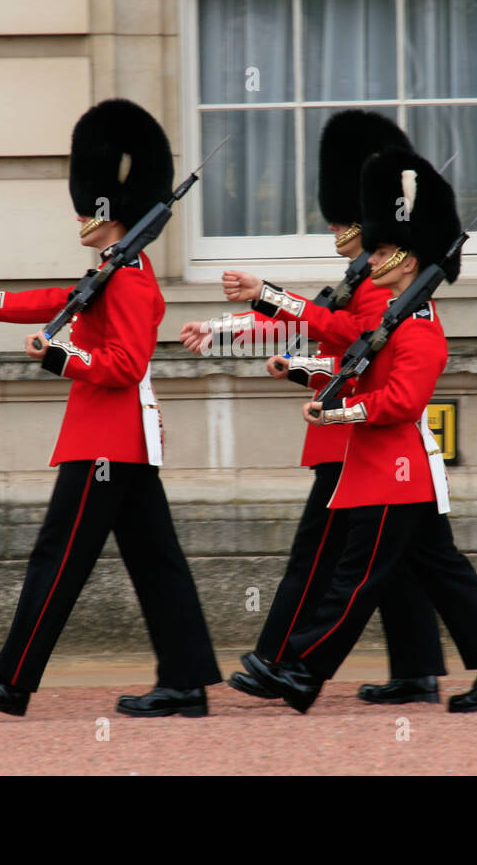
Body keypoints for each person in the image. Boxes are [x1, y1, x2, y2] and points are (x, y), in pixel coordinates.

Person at [0, 99, 222, 718]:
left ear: (111, 215)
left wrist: (60, 359)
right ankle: (187, 682)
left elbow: (125, 365)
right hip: (121, 442)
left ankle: (11, 681)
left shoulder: (131, 280)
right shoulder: (112, 272)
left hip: (107, 444)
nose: (81, 218)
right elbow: (47, 298)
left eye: (90, 209)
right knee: (155, 561)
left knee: (57, 559)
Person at [230, 146, 477, 714]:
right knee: (445, 574)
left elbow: (399, 402)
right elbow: (339, 335)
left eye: (386, 250)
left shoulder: (417, 327)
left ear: (410, 260)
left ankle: (301, 672)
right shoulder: (391, 316)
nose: (375, 258)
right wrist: (277, 319)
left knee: (353, 581)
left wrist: (335, 414)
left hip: (393, 471)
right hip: (388, 472)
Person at [180, 110, 447, 705]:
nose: (336, 234)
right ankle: (418, 669)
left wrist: (269, 302)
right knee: (401, 560)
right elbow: (319, 335)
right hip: (350, 432)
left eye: (344, 225)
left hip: (355, 433)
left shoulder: (382, 285)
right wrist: (223, 329)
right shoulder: (362, 277)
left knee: (322, 556)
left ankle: (282, 660)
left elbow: (335, 336)